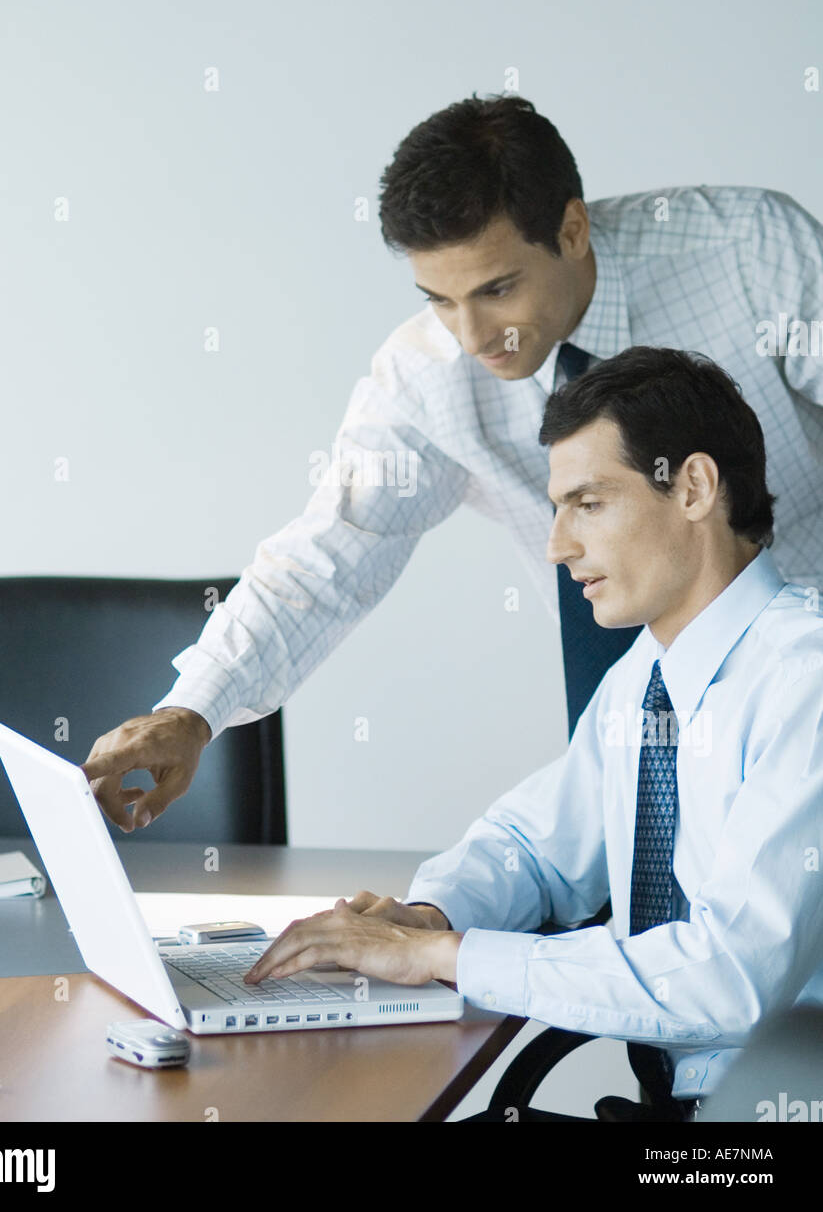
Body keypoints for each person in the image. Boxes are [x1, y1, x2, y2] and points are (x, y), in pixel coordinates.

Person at [81, 93, 823, 832]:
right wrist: (193, 711)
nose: (473, 336)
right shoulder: (427, 377)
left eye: (497, 289)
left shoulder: (749, 254)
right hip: (633, 735)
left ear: (571, 230)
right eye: (439, 299)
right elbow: (328, 557)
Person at [240, 347, 823, 1122]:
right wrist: (432, 915)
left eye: (588, 503)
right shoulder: (648, 671)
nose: (556, 545)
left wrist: (444, 957)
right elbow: (538, 848)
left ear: (691, 487)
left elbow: (728, 979)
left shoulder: (804, 679)